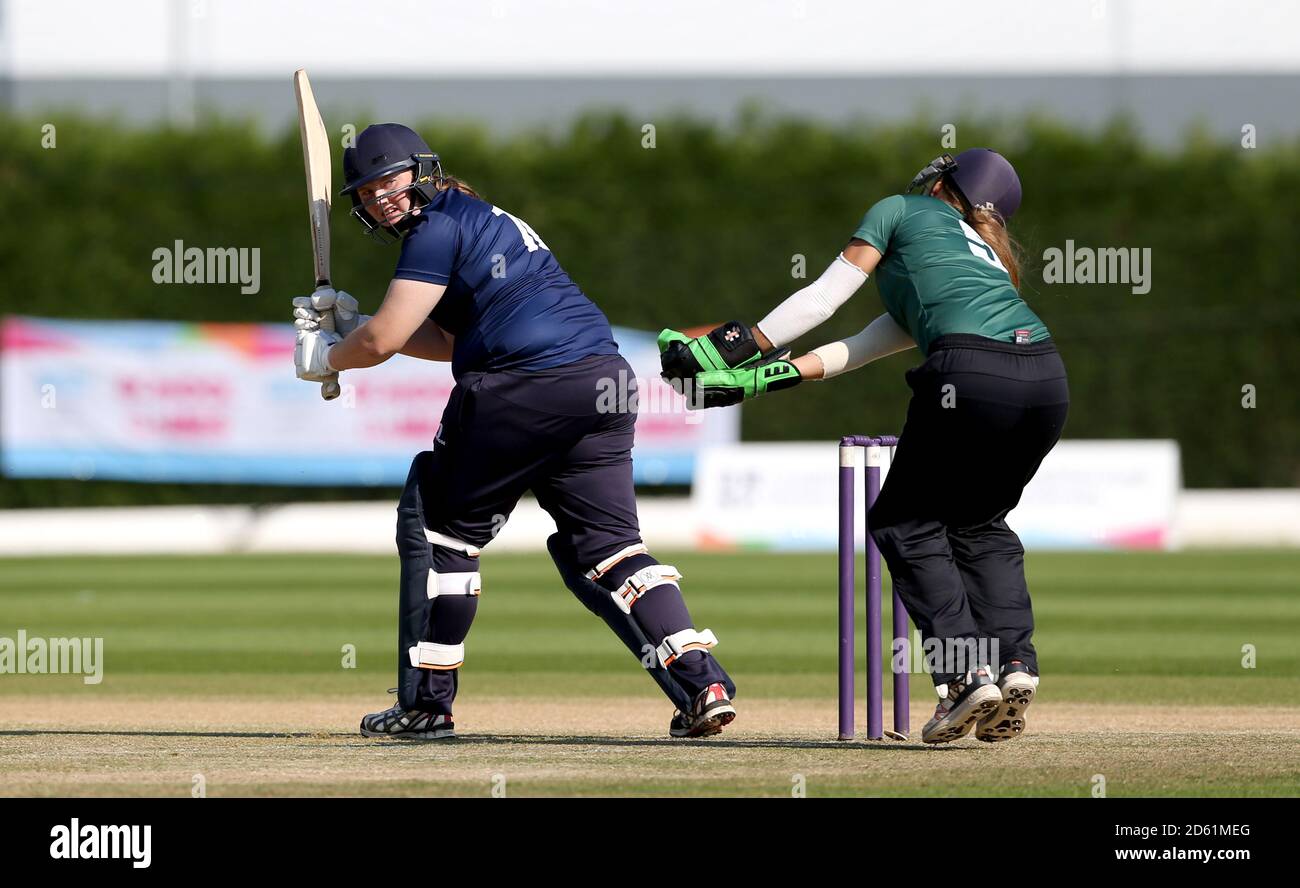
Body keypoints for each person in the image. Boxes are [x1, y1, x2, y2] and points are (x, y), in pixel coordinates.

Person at [294, 123, 737, 740]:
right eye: (367, 193)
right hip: (602, 383)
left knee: (439, 530)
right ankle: (703, 684)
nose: (381, 199)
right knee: (607, 548)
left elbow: (387, 342)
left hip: (521, 388)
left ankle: (426, 703)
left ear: (422, 171)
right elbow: (445, 338)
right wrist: (354, 326)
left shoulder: (434, 227)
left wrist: (329, 355)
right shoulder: (481, 219)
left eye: (389, 181)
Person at [659, 149, 1068, 744]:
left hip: (971, 375)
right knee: (980, 525)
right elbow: (873, 340)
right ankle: (1012, 665)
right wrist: (768, 375)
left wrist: (740, 345)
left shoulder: (901, 210)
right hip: (1046, 380)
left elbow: (825, 298)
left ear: (944, 183)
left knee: (906, 524)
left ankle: (962, 679)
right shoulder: (980, 260)